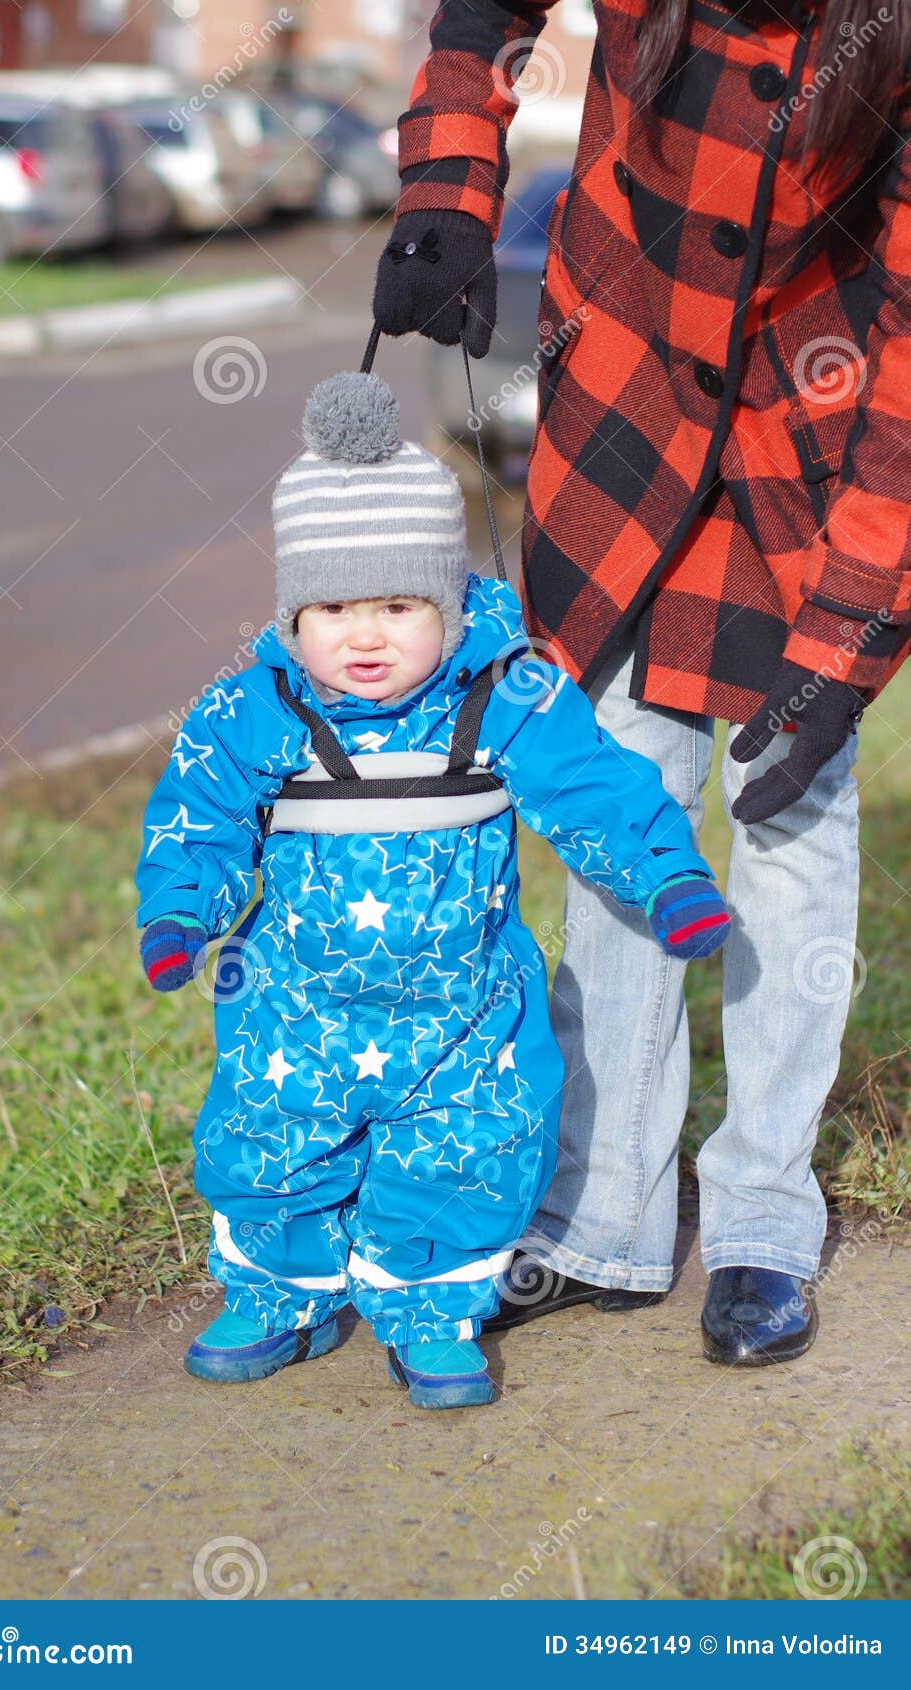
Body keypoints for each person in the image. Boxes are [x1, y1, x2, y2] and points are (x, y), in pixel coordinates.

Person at [372, 0, 909, 1364]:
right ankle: (602, 1209)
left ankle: (760, 1217)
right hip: (629, 406)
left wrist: (845, 644)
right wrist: (447, 178)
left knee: (790, 821)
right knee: (621, 798)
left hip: (814, 433)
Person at [134, 370, 729, 1411]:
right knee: (271, 1135)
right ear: (291, 613)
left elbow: (592, 786)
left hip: (462, 1013)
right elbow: (202, 806)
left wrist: (666, 874)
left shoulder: (503, 692)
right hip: (293, 1008)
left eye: (400, 606)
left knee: (468, 1145)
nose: (365, 638)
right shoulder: (255, 708)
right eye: (332, 610)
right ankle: (283, 1291)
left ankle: (429, 1307)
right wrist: (183, 908)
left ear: (450, 607)